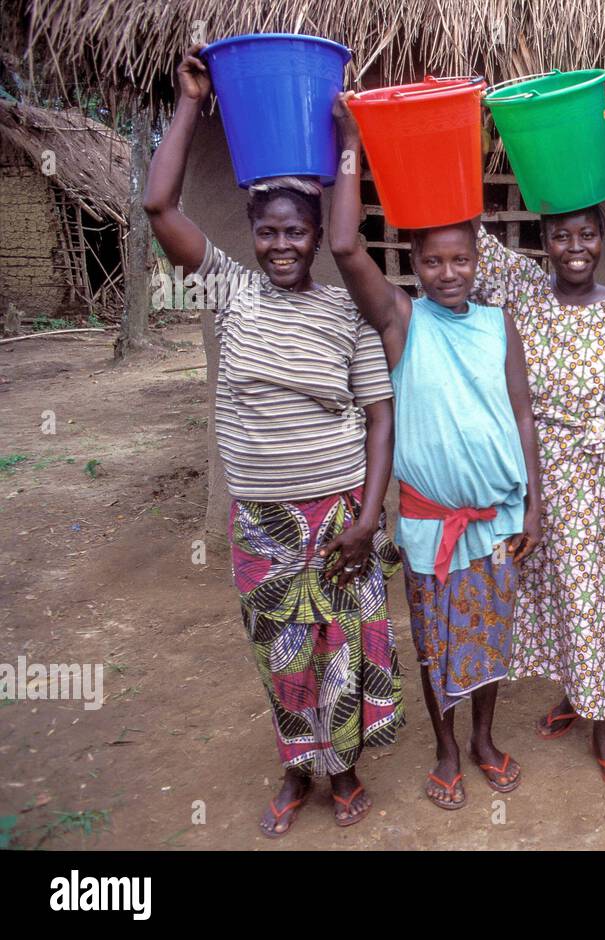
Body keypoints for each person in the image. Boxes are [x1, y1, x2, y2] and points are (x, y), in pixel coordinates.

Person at [144, 45, 405, 837]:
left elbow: (380, 416)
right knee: (281, 653)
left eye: (299, 231)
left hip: (338, 517)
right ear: (253, 233)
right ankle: (298, 769)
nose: (285, 245)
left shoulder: (344, 314)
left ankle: (347, 769)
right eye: (270, 232)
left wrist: (368, 515)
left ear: (318, 236)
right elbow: (160, 209)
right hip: (263, 519)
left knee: (342, 651)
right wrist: (191, 101)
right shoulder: (230, 293)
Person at [330, 94, 543, 809]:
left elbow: (521, 412)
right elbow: (344, 247)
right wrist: (351, 146)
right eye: (434, 259)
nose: (448, 271)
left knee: (487, 641)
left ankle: (483, 739)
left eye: (461, 258)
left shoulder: (497, 323)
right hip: (429, 524)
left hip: (498, 518)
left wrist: (534, 506)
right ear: (415, 261)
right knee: (434, 645)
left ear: (478, 259)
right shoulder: (401, 319)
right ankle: (448, 747)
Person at [470, 208, 605, 789]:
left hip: (590, 481)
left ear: (602, 238)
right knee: (536, 593)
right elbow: (470, 234)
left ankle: (603, 727)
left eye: (588, 235)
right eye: (562, 236)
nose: (575, 248)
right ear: (544, 241)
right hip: (522, 475)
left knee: (592, 601)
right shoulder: (522, 288)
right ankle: (573, 693)